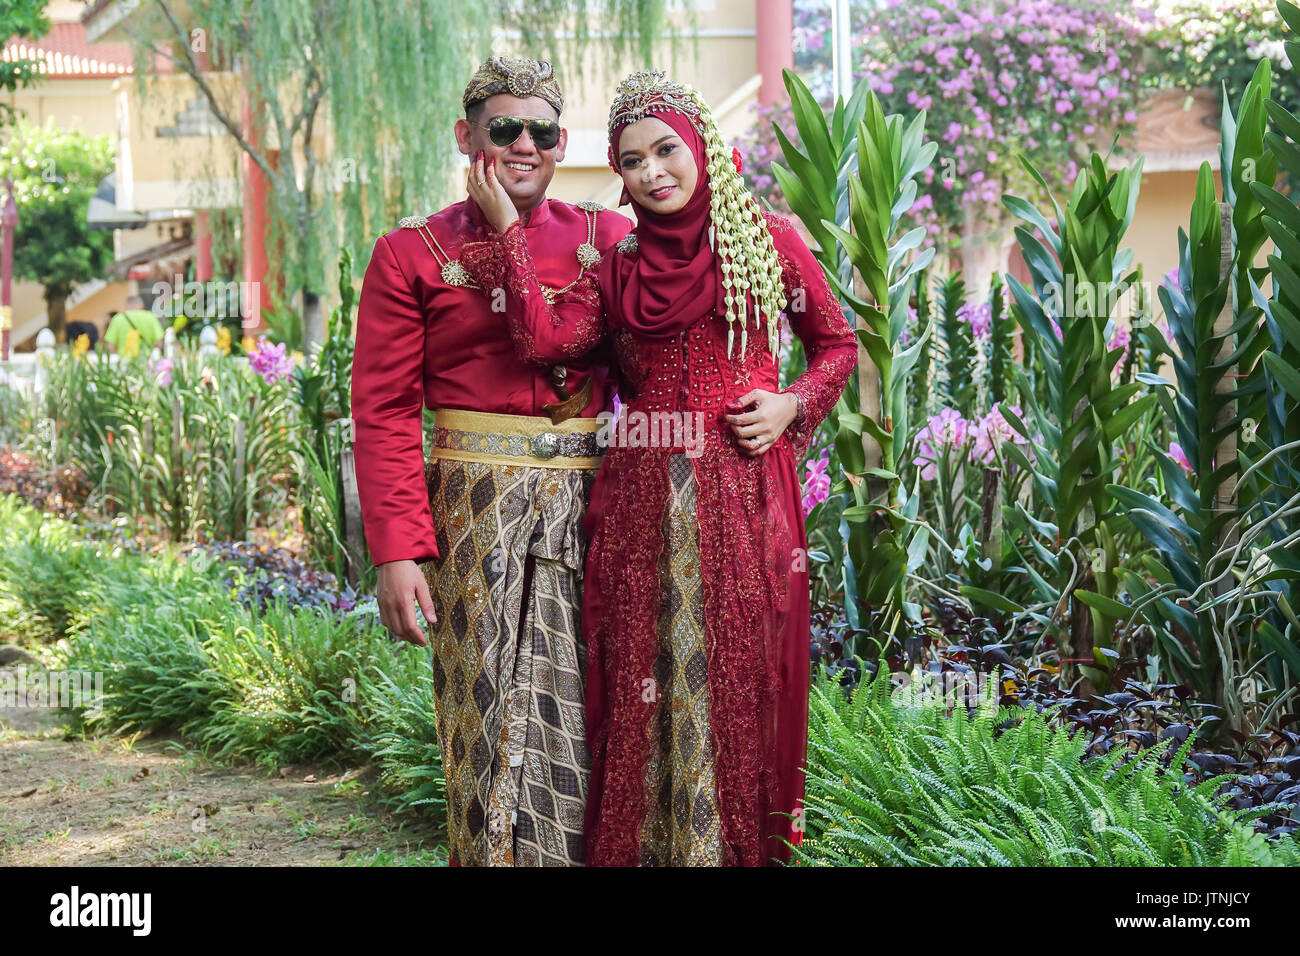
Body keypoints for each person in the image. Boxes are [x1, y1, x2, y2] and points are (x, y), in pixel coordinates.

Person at [469, 69, 857, 865]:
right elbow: (544, 340)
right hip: (640, 502)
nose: (652, 172)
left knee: (737, 676)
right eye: (632, 160)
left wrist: (790, 405)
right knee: (643, 680)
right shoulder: (618, 268)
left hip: (742, 493)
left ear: (702, 148)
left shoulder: (767, 241)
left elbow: (838, 344)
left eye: (666, 150)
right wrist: (509, 229)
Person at [350, 55, 631, 867]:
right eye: (505, 128)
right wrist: (397, 551)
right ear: (466, 136)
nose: (524, 145)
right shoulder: (410, 251)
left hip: (594, 507)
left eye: (543, 131)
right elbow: (384, 412)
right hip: (472, 513)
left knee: (592, 714)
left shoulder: (608, 240)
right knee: (484, 714)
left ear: (562, 143)